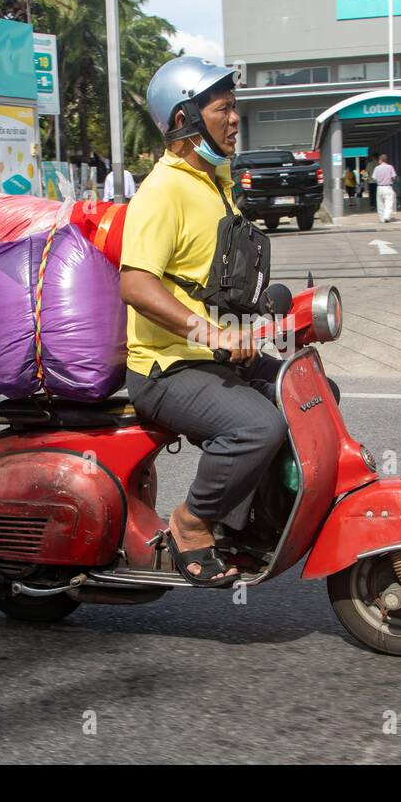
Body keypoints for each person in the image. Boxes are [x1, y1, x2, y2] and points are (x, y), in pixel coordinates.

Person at [119, 56, 320, 587]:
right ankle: (191, 523)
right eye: (224, 109)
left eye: (235, 108)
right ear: (186, 117)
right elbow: (136, 285)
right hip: (166, 367)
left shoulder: (213, 182)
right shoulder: (163, 191)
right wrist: (211, 333)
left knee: (312, 394)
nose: (235, 119)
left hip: (212, 355)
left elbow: (216, 275)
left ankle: (253, 523)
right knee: (258, 425)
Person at [372, 154, 397, 223]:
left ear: (380, 160)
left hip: (379, 187)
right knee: (389, 202)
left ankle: (382, 218)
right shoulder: (390, 167)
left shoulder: (377, 168)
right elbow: (394, 177)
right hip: (388, 187)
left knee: (380, 203)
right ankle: (387, 216)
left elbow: (374, 178)